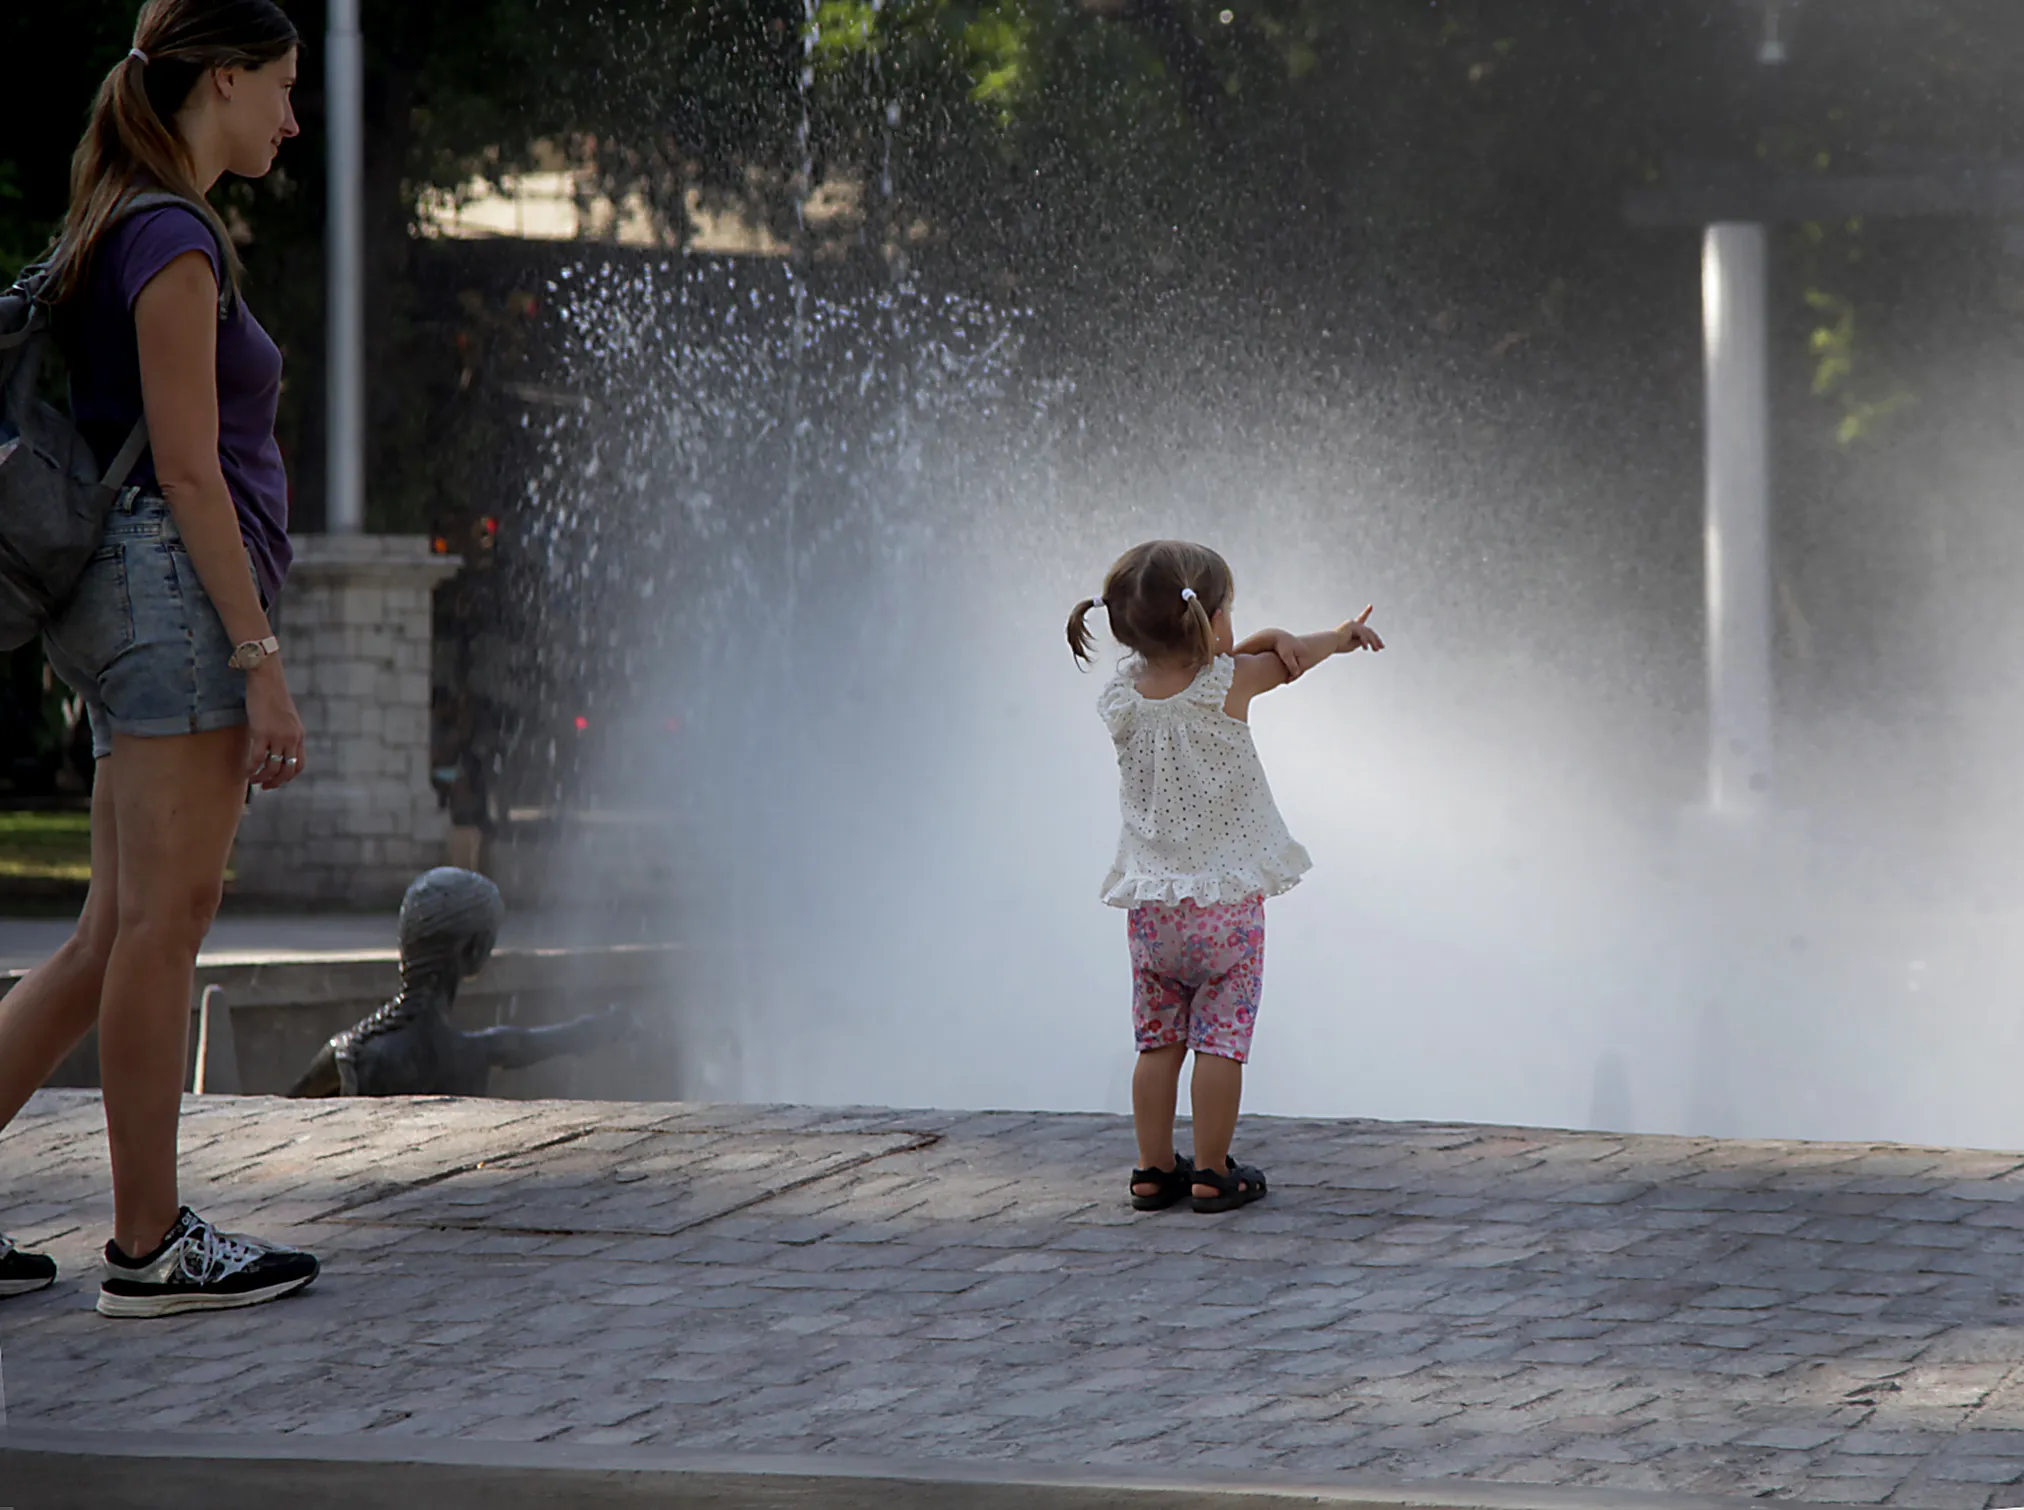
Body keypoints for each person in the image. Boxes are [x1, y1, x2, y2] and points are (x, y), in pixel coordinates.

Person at [0, 0, 319, 1317]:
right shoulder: (173, 237)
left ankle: (144, 1233)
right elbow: (189, 469)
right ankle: (147, 1244)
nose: (291, 118)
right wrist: (260, 656)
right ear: (223, 80)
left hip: (119, 597)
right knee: (162, 925)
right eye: (282, 88)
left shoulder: (123, 212)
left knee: (98, 938)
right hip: (168, 595)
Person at [1068, 540, 1384, 1213]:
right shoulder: (1226, 684)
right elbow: (1286, 664)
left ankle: (1153, 1170)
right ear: (1209, 622)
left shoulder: (1121, 698)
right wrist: (1337, 636)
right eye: (1228, 612)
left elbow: (1244, 655)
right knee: (1220, 1042)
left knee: (1158, 1043)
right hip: (1226, 909)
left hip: (1152, 909)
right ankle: (1211, 1172)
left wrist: (1250, 638)